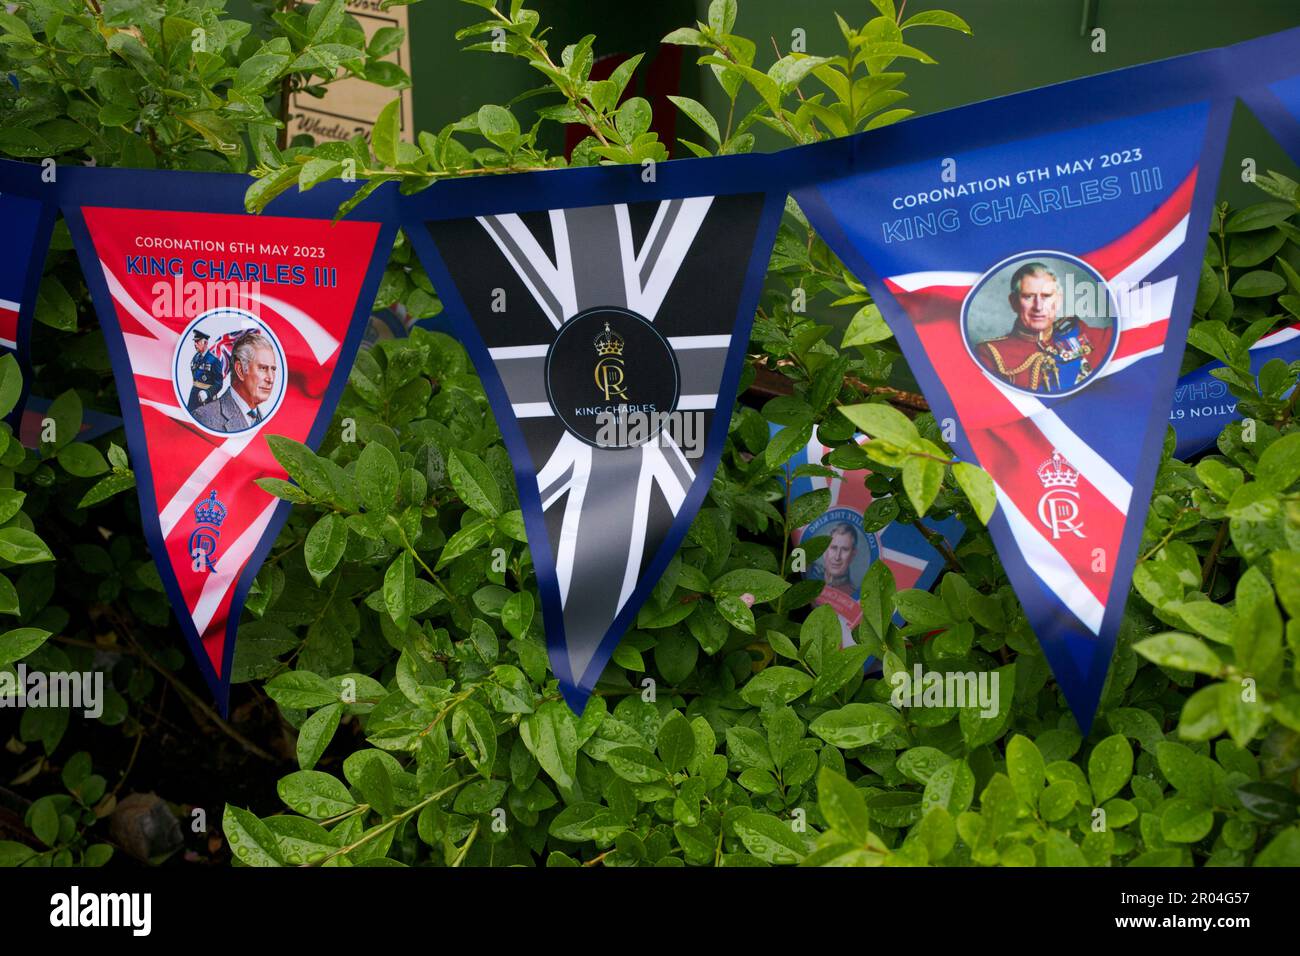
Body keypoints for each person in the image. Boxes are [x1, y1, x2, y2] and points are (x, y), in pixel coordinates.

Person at [973, 262, 1114, 393]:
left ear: (1058, 301)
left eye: (1046, 296)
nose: (1038, 306)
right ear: (1014, 302)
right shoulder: (990, 353)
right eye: (1028, 296)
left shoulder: (1087, 336)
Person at [194, 332, 277, 432]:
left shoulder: (267, 425)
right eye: (263, 368)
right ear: (240, 370)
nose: (271, 379)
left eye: (273, 369)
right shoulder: (205, 418)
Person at [186, 329, 225, 412]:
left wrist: (208, 393)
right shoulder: (196, 357)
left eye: (198, 342)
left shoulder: (214, 360)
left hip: (207, 399)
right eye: (195, 342)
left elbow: (219, 384)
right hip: (194, 396)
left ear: (206, 343)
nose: (195, 344)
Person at [820, 522, 860, 596]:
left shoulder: (854, 594)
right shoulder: (808, 576)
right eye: (834, 548)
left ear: (852, 555)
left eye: (845, 549)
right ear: (825, 550)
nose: (837, 557)